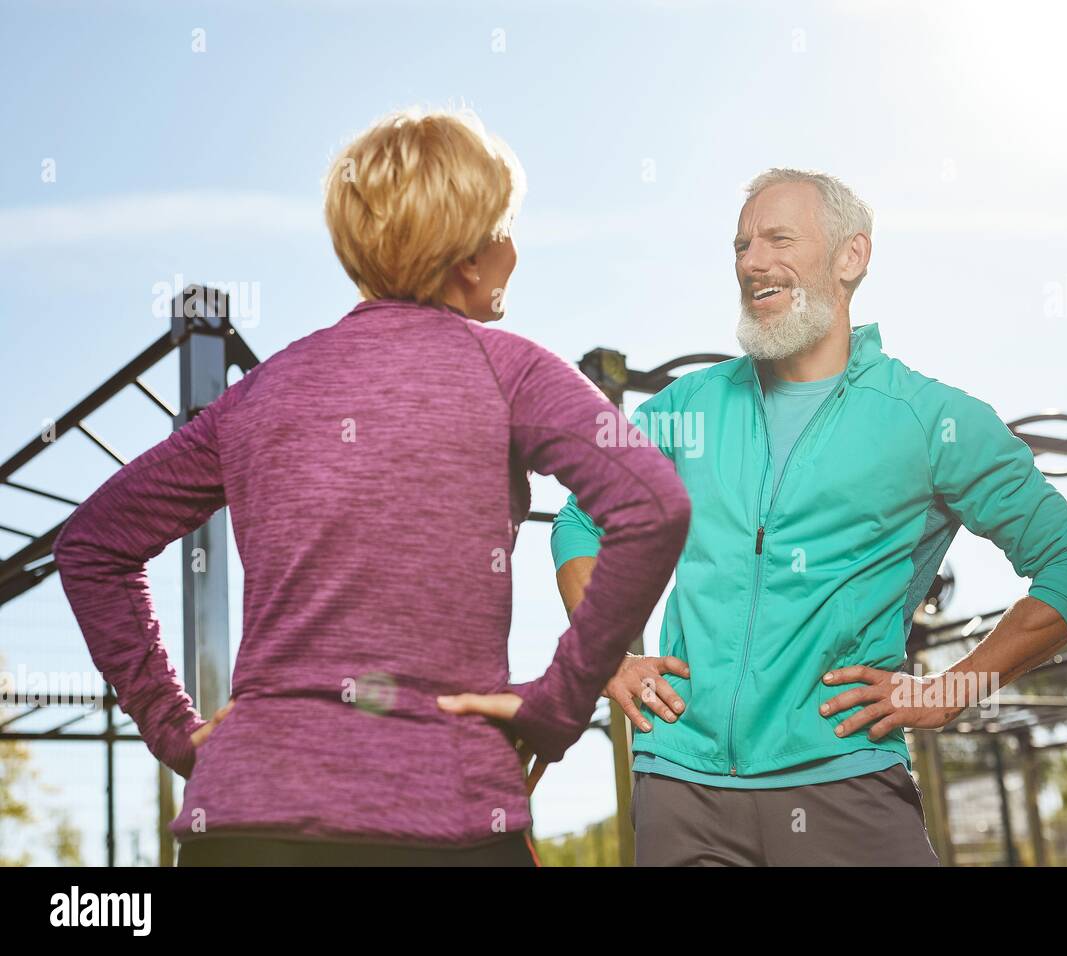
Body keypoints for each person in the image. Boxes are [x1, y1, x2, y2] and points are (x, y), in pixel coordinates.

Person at [52, 108, 691, 867]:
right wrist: (559, 700)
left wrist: (171, 727)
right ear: (469, 256)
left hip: (245, 821)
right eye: (507, 226)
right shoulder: (510, 369)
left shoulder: (257, 394)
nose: (516, 248)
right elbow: (653, 505)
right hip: (445, 819)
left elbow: (91, 544)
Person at [551, 168, 1067, 866]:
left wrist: (951, 691)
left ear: (852, 257)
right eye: (741, 245)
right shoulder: (687, 408)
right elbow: (581, 520)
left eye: (779, 238)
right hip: (681, 791)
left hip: (845, 788)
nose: (753, 261)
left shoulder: (929, 419)